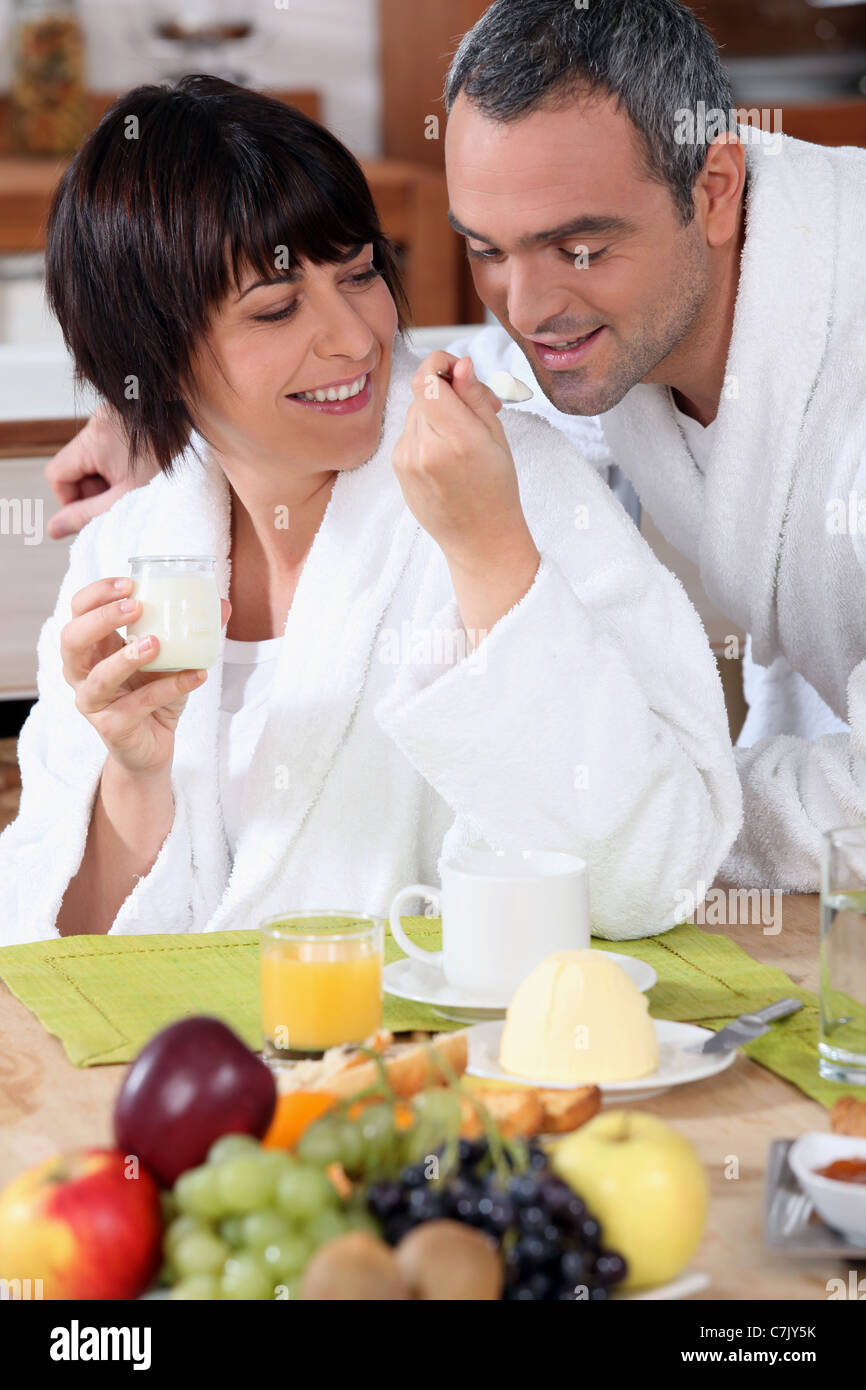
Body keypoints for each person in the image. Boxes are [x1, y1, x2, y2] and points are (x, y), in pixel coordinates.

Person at [0, 77, 740, 944]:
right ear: (152, 357)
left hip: (456, 1065)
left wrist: (491, 552)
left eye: (359, 275)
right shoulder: (127, 556)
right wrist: (132, 770)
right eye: (276, 308)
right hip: (200, 1071)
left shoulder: (511, 482)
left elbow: (658, 876)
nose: (353, 338)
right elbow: (61, 963)